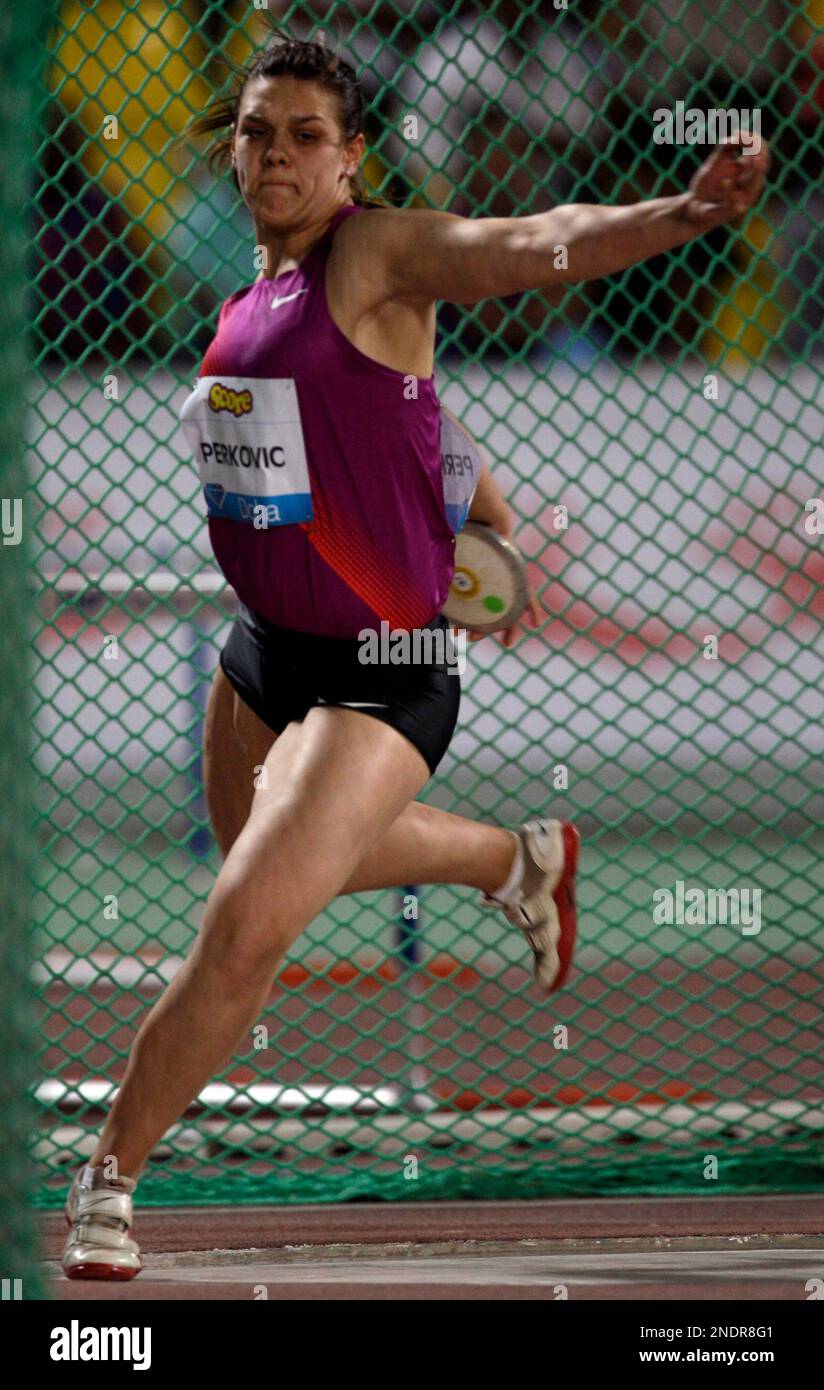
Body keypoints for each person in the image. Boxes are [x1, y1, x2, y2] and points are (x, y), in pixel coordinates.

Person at [61, 27, 769, 1281]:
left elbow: (526, 240)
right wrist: (473, 501)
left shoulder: (376, 252)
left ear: (351, 162)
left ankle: (108, 1179)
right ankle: (514, 857)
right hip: (259, 659)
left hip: (380, 675)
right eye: (256, 131)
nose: (275, 155)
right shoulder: (246, 300)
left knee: (241, 931)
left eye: (306, 136)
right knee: (271, 871)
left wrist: (679, 209)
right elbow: (403, 416)